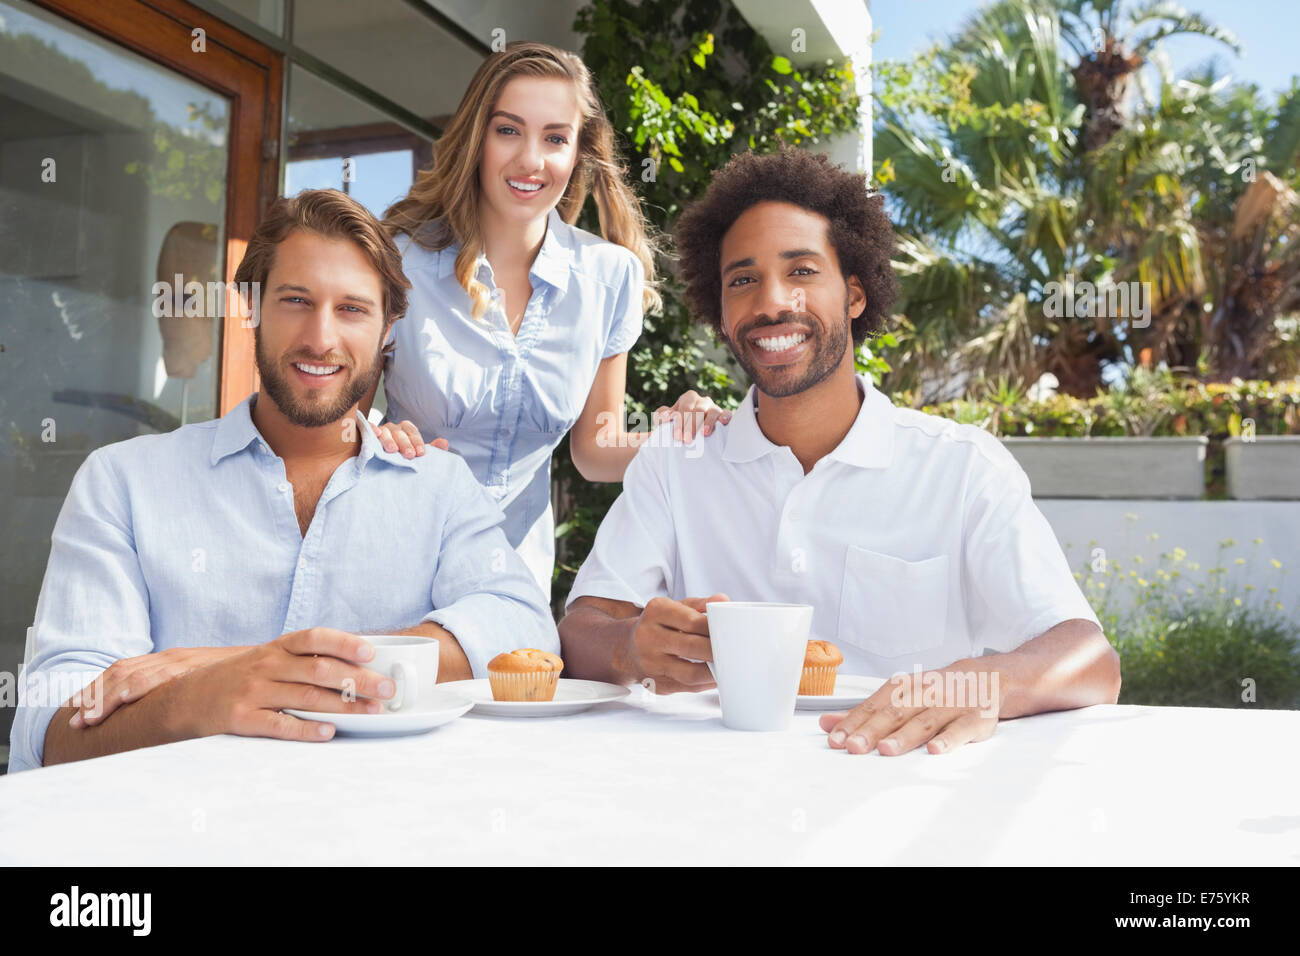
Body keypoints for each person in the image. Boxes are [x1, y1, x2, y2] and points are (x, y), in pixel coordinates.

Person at [558, 147, 1121, 756]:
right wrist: (630, 646)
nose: (773, 302)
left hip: (893, 797)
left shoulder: (961, 469)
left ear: (855, 295)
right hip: (713, 804)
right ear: (721, 312)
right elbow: (582, 631)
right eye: (742, 280)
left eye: (801, 271)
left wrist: (980, 683)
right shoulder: (676, 464)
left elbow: (1090, 659)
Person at [9, 189, 556, 773]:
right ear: (252, 306)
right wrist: (202, 699)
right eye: (296, 300)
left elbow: (525, 632)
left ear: (388, 328)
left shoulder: (438, 485)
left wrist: (250, 664)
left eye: (352, 309)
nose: (320, 338)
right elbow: (52, 734)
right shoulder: (123, 482)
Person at [368, 41, 730, 594]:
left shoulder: (611, 279)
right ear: (476, 138)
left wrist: (686, 439)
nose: (531, 160)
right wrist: (373, 433)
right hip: (391, 569)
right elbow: (338, 423)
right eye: (508, 130)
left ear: (579, 152)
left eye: (555, 138)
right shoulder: (397, 260)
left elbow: (594, 450)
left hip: (516, 587)